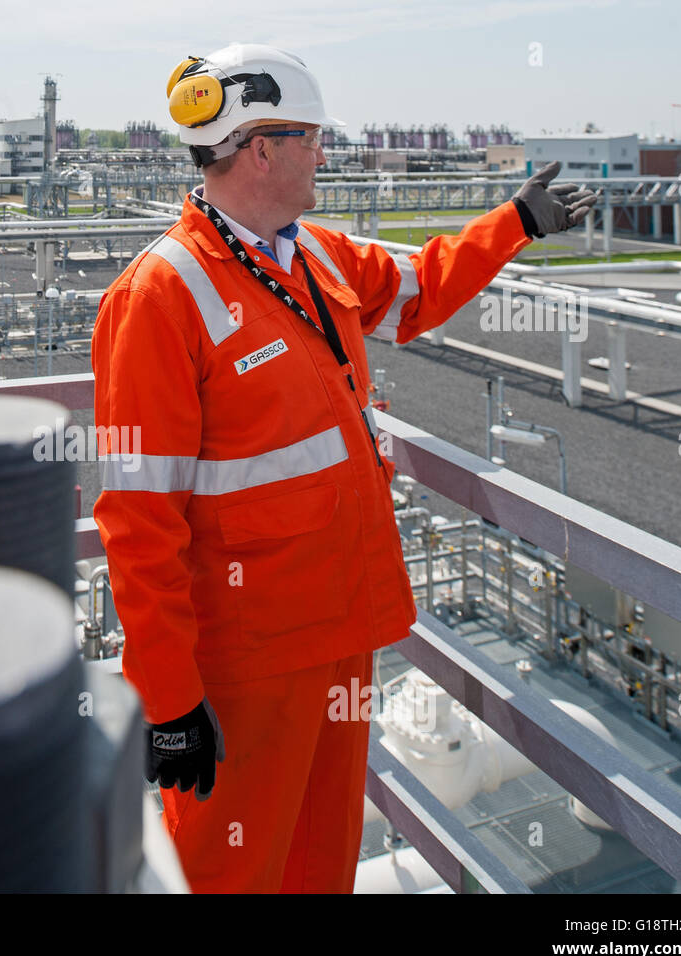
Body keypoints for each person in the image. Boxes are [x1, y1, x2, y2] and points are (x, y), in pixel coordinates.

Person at [90, 42, 596, 893]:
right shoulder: (160, 296)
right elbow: (139, 515)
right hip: (246, 666)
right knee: (233, 872)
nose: (326, 153)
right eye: (313, 138)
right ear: (261, 148)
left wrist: (514, 223)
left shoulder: (315, 256)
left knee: (321, 865)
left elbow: (421, 289)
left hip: (340, 636)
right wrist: (171, 699)